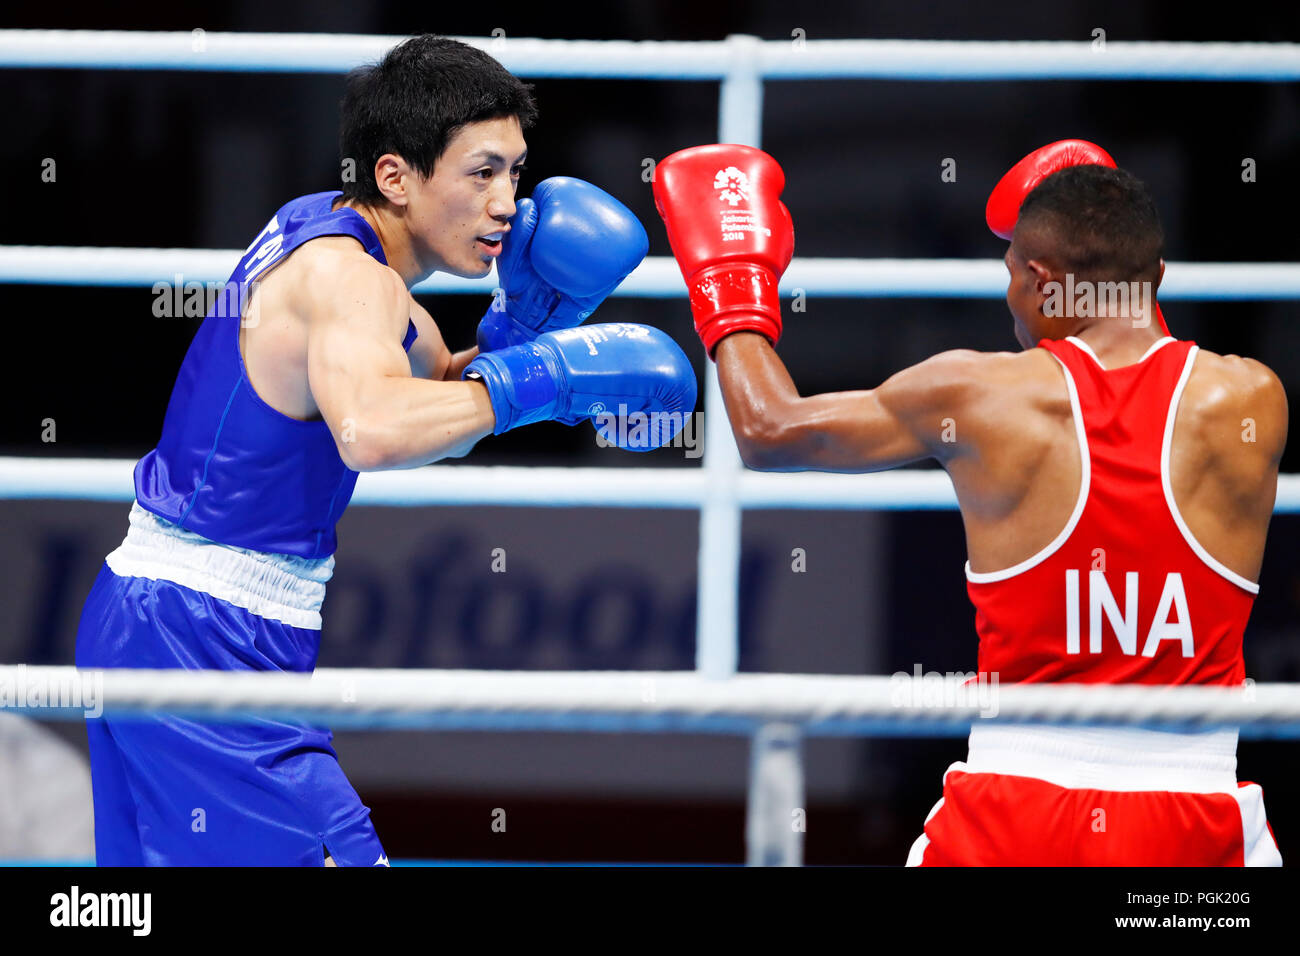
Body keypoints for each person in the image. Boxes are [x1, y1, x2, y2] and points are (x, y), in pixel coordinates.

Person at [74, 34, 696, 867]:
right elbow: (370, 428)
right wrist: (542, 379)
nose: (509, 202)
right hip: (199, 637)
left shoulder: (333, 237)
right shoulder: (346, 280)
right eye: (482, 172)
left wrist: (526, 341)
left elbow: (429, 380)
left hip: (173, 620)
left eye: (515, 171)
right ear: (396, 176)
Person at [652, 141, 1286, 866]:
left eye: (1014, 271)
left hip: (1012, 815)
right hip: (1195, 821)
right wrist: (1106, 242)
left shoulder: (979, 398)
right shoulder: (1252, 399)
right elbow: (1133, 337)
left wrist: (730, 282)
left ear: (1040, 281)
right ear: (1158, 277)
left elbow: (769, 430)